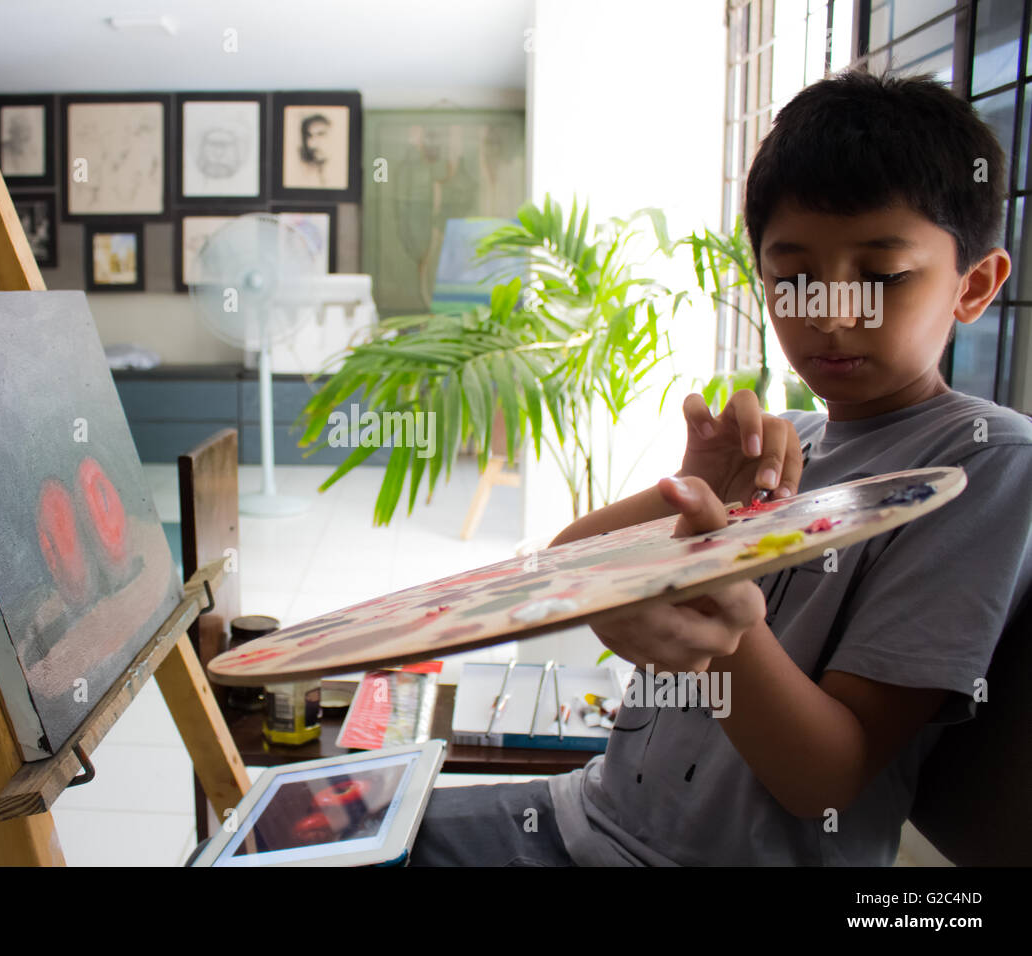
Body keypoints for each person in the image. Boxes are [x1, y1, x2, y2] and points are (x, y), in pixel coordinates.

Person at [407, 70, 1032, 866]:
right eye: (793, 278)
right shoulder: (791, 439)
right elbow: (558, 575)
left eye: (881, 276)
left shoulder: (985, 459)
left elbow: (825, 782)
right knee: (315, 838)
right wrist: (688, 492)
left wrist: (723, 623)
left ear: (974, 285)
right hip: (585, 816)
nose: (830, 313)